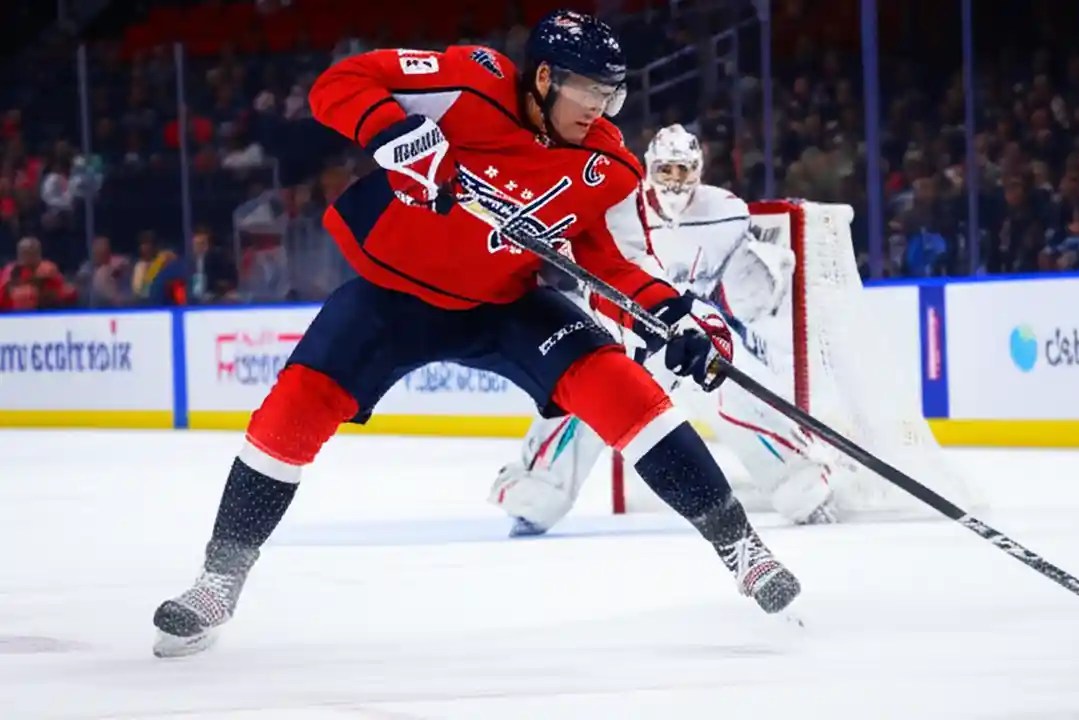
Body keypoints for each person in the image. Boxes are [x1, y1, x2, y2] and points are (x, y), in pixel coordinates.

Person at [152, 10, 800, 658]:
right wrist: (397, 136)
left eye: (612, 95)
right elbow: (340, 84)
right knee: (290, 412)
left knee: (622, 388)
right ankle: (219, 579)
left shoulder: (607, 165)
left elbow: (608, 262)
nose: (601, 109)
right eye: (589, 92)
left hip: (505, 305)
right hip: (393, 297)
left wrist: (677, 322)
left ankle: (741, 547)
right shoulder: (469, 82)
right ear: (545, 77)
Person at [491, 124, 851, 537]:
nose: (675, 182)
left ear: (698, 170)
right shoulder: (616, 204)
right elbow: (588, 273)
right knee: (585, 396)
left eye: (683, 171)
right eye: (666, 171)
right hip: (620, 334)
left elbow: (744, 291)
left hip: (688, 338)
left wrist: (764, 276)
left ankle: (801, 483)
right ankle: (537, 494)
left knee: (736, 386)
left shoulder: (725, 214)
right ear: (648, 170)